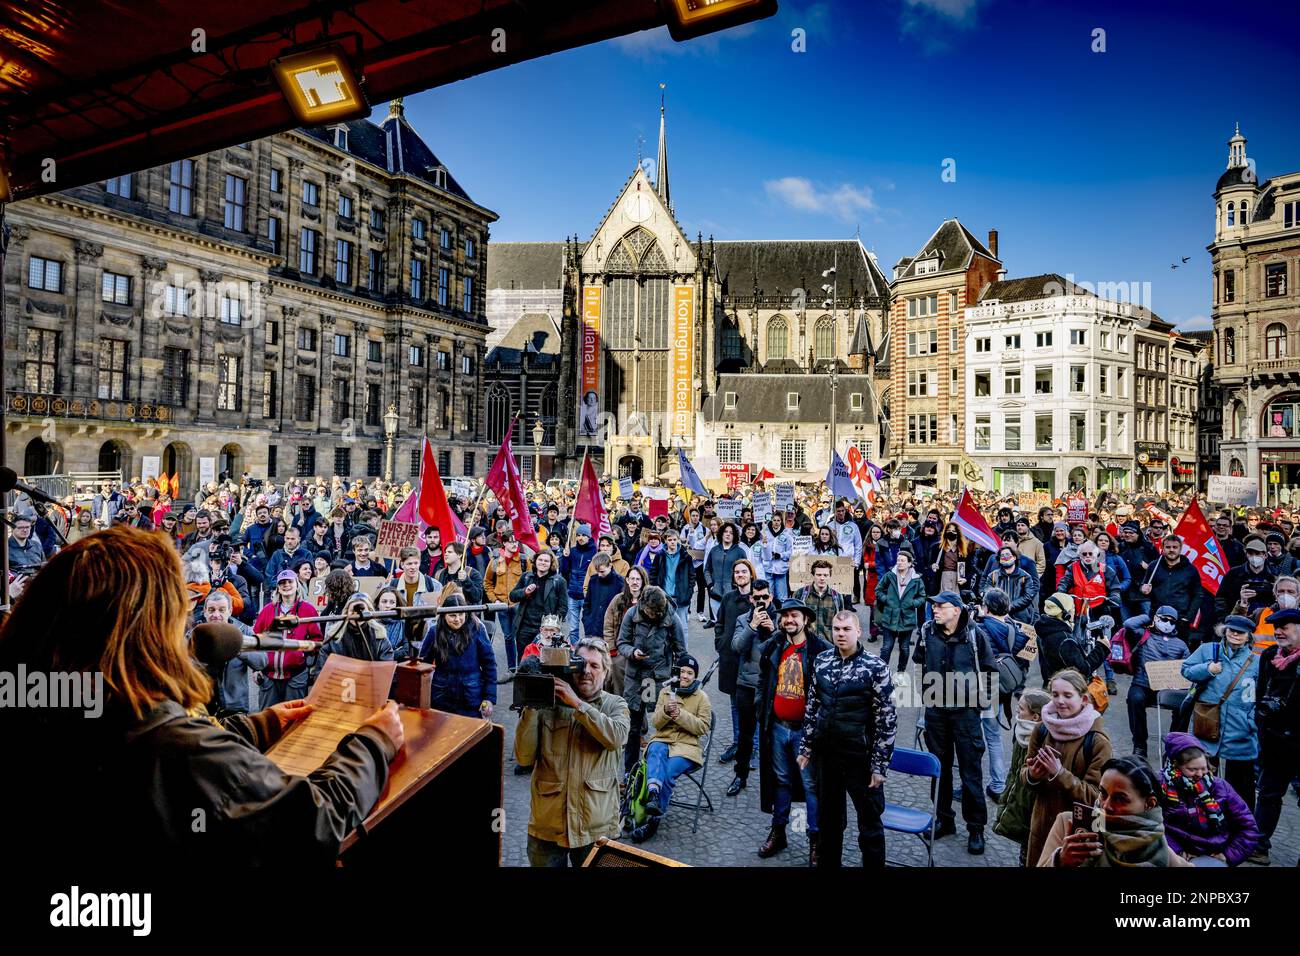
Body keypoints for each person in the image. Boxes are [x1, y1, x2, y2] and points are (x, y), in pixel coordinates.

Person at [0, 524, 404, 868]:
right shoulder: (170, 745)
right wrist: (374, 742)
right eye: (180, 611)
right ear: (147, 629)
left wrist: (257, 726)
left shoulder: (47, 696)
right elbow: (315, 822)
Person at [515, 637, 630, 867]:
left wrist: (576, 703)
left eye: (595, 666)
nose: (586, 671)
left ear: (606, 672)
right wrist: (531, 706)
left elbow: (615, 738)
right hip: (547, 826)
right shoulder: (549, 704)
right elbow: (524, 757)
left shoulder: (616, 705)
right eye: (580, 664)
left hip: (594, 829)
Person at [799, 610, 897, 867]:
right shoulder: (821, 661)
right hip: (827, 755)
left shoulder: (875, 668)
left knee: (870, 824)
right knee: (829, 823)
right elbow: (812, 707)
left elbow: (886, 720)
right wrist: (806, 746)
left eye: (846, 630)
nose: (840, 634)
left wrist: (880, 766)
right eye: (836, 629)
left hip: (860, 759)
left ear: (858, 632)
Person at [914, 590, 999, 854]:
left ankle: (976, 828)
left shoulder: (975, 635)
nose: (935, 610)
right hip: (937, 712)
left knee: (970, 771)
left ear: (957, 610)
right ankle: (944, 819)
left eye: (941, 606)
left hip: (966, 715)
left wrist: (981, 703)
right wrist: (924, 695)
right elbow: (919, 662)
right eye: (934, 606)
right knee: (939, 770)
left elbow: (990, 671)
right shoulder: (928, 632)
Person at [756, 598, 830, 863]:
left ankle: (816, 841)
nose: (789, 620)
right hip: (777, 727)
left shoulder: (821, 650)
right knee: (781, 782)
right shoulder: (774, 646)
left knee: (811, 786)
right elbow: (763, 680)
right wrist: (760, 708)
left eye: (794, 615)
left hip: (805, 732)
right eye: (785, 616)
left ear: (806, 619)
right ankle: (779, 832)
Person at [1024, 668, 1114, 866]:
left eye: (1067, 695)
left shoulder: (1098, 742)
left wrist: (1059, 774)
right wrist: (1032, 774)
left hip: (1076, 833)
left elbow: (1096, 797)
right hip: (1040, 826)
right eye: (1055, 695)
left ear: (1083, 699)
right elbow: (1024, 773)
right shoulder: (1042, 729)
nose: (1060, 701)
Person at [1039, 756, 1191, 867]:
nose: (1106, 806)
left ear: (1149, 804)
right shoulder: (1068, 826)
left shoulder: (1157, 847)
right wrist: (1060, 860)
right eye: (1103, 793)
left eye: (1120, 799)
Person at [1180, 615, 1261, 809]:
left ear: (1248, 636)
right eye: (1231, 629)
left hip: (1240, 728)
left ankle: (1243, 824)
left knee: (1241, 785)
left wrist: (1252, 721)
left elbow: (1262, 692)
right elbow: (1186, 669)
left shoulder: (1256, 661)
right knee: (1202, 779)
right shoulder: (1208, 649)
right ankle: (1202, 815)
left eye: (1241, 632)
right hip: (1207, 722)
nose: (1235, 634)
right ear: (1224, 630)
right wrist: (1207, 668)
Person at [636, 655, 714, 842]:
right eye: (682, 672)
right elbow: (656, 723)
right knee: (655, 750)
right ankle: (654, 795)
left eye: (689, 673)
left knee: (669, 771)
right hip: (664, 739)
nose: (685, 676)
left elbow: (703, 727)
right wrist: (664, 712)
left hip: (687, 746)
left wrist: (680, 715)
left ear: (695, 676)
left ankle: (654, 820)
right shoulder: (665, 692)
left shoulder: (702, 697)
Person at [1159, 732, 1261, 865]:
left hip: (1213, 853)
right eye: (1192, 769)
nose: (1200, 774)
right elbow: (1152, 824)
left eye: (1204, 768)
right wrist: (1175, 851)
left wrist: (1227, 855)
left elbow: (1248, 827)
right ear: (1175, 766)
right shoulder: (1161, 785)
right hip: (1174, 853)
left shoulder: (1220, 787)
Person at [616, 585, 686, 772]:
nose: (654, 615)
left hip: (658, 678)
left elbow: (681, 652)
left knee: (662, 725)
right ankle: (629, 773)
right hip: (637, 677)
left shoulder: (671, 617)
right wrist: (632, 652)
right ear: (642, 604)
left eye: (657, 613)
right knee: (633, 727)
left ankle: (660, 771)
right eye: (651, 612)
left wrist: (679, 681)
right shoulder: (631, 614)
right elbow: (621, 643)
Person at [1251, 604, 1300, 865]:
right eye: (1276, 628)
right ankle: (1259, 847)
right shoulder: (1270, 655)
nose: (1278, 632)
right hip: (1274, 739)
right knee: (1268, 794)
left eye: (1284, 627)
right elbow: (1261, 694)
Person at [727, 579, 777, 796]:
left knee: (772, 736)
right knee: (746, 736)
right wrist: (752, 626)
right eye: (757, 598)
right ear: (750, 599)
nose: (761, 601)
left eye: (764, 597)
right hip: (747, 684)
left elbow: (787, 648)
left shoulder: (781, 618)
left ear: (771, 597)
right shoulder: (743, 619)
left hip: (770, 686)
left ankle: (775, 780)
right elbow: (736, 646)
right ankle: (741, 774)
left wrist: (774, 631)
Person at [992, 688, 1052, 865]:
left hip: (1034, 806)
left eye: (1021, 708)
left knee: (1032, 853)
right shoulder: (1020, 731)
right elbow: (1014, 770)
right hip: (1018, 796)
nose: (1017, 711)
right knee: (1025, 852)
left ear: (1035, 717)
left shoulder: (1045, 738)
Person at [1125, 606, 1191, 760]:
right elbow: (1129, 624)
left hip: (1169, 688)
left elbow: (1188, 667)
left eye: (1172, 621)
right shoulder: (1143, 635)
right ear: (1156, 618)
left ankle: (1174, 744)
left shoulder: (1181, 644)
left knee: (1186, 703)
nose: (1168, 623)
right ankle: (1140, 745)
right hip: (1143, 684)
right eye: (1164, 619)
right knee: (1134, 698)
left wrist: (1179, 684)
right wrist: (1149, 617)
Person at [418, 593, 495, 719]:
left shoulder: (477, 629)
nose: (458, 619)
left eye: (461, 614)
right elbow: (423, 665)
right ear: (444, 615)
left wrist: (489, 698)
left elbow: (489, 665)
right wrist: (422, 697)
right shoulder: (434, 632)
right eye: (452, 615)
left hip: (471, 697)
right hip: (441, 697)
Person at [252, 570, 323, 704]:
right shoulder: (268, 610)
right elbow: (255, 639)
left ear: (297, 584)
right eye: (282, 583)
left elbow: (317, 639)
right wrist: (256, 668)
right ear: (278, 588)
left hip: (296, 675)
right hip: (268, 675)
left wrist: (303, 656)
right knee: (268, 718)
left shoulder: (308, 610)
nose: (286, 585)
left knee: (293, 718)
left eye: (290, 582)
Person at [716, 558, 759, 765]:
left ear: (751, 574)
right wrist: (721, 643)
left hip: (751, 660)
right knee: (735, 704)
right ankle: (737, 742)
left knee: (753, 704)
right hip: (730, 657)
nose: (740, 575)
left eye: (743, 571)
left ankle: (754, 747)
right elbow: (720, 623)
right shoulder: (728, 598)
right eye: (736, 572)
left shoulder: (759, 597)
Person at [200, 589, 267, 717]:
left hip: (235, 708)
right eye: (211, 610)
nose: (216, 614)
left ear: (230, 611)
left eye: (222, 610)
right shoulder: (196, 634)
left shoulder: (244, 631)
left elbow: (261, 661)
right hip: (203, 708)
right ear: (204, 612)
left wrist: (236, 645)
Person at [1035, 592, 1110, 686]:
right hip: (1067, 690)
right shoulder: (1065, 640)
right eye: (1073, 608)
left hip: (1051, 685)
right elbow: (1083, 671)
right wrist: (1102, 647)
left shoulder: (1044, 630)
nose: (1074, 611)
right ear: (1066, 613)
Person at [1141, 534, 1202, 644]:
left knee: (1178, 653)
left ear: (1180, 549)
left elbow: (1198, 595)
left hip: (1180, 620)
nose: (1171, 550)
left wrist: (1188, 618)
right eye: (1168, 547)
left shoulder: (1190, 569)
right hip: (1157, 617)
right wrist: (1144, 590)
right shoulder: (1154, 566)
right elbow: (1145, 586)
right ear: (1163, 548)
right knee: (1155, 651)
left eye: (1175, 547)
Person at [874, 548, 925, 676]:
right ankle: (882, 673)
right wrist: (887, 600)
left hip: (907, 617)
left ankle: (900, 673)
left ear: (909, 563)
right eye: (898, 560)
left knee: (904, 648)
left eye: (902, 560)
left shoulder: (917, 579)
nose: (899, 563)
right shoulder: (889, 575)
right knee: (886, 648)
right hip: (890, 616)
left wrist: (913, 603)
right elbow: (878, 590)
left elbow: (922, 597)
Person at [603, 565, 649, 695]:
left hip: (642, 653)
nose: (635, 582)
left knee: (643, 692)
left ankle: (639, 714)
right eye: (632, 579)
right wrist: (612, 650)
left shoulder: (649, 601)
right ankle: (621, 712)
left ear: (643, 581)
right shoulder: (618, 600)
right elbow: (608, 624)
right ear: (627, 580)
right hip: (620, 653)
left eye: (638, 579)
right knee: (619, 689)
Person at [1216, 536, 1276, 621]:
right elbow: (1221, 598)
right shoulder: (1234, 573)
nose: (1254, 556)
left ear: (1265, 555)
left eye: (1257, 553)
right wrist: (1224, 618)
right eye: (1250, 553)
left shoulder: (1274, 575)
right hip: (1239, 618)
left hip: (1266, 620)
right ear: (1246, 554)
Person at [794, 558, 852, 646]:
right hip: (804, 644)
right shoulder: (801, 594)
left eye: (825, 575)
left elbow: (841, 623)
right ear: (813, 576)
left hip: (828, 645)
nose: (822, 578)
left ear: (829, 576)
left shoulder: (837, 597)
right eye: (818, 575)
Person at [559, 522, 598, 641]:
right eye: (578, 535)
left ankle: (587, 650)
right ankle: (574, 649)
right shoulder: (572, 551)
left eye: (583, 535)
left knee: (588, 626)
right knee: (573, 627)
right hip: (573, 594)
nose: (580, 538)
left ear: (589, 537)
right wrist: (565, 557)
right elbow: (565, 571)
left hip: (587, 596)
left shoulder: (595, 552)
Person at [650, 528, 694, 632]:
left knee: (682, 628)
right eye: (670, 540)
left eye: (674, 539)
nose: (672, 542)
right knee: (663, 627)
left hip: (681, 596)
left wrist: (689, 592)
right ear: (665, 541)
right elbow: (653, 574)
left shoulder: (686, 556)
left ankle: (683, 648)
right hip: (664, 597)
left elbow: (692, 576)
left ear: (678, 540)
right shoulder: (660, 556)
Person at [984, 544, 1039, 625]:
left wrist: (1009, 606)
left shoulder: (1025, 576)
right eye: (1002, 555)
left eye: (1007, 555)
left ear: (1014, 557)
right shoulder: (992, 576)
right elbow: (988, 594)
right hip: (998, 616)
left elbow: (1028, 597)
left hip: (1020, 617)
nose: (1005, 557)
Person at [434, 541, 485, 606]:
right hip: (444, 613)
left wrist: (466, 580)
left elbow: (477, 597)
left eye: (450, 552)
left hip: (466, 614)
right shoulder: (439, 574)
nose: (446, 554)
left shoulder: (473, 573)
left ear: (459, 555)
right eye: (445, 552)